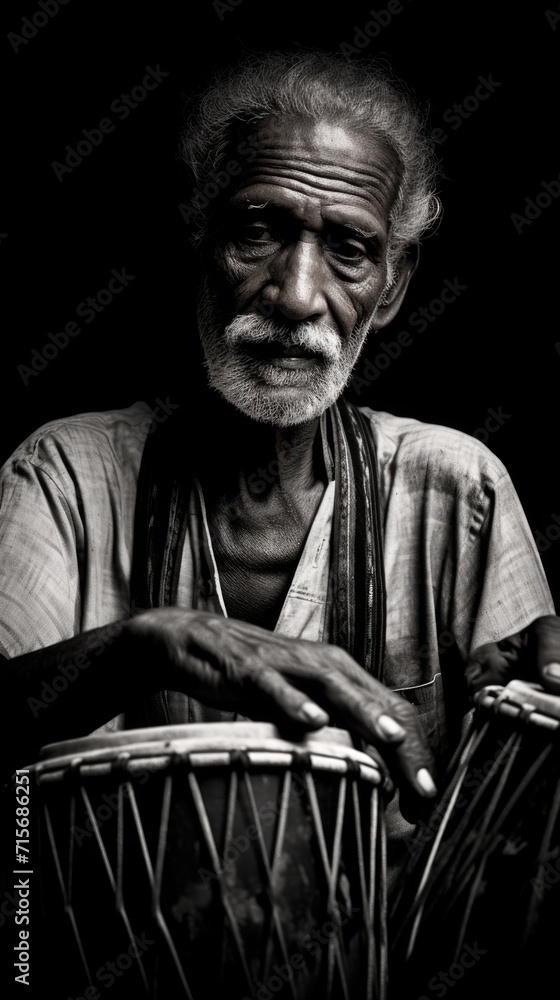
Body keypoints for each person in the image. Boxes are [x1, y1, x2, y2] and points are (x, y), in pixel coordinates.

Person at [1, 50, 558, 882]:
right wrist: (146, 647)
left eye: (349, 249)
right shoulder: (67, 474)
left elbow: (519, 847)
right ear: (198, 238)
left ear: (394, 287)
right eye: (258, 229)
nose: (296, 296)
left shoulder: (458, 488)